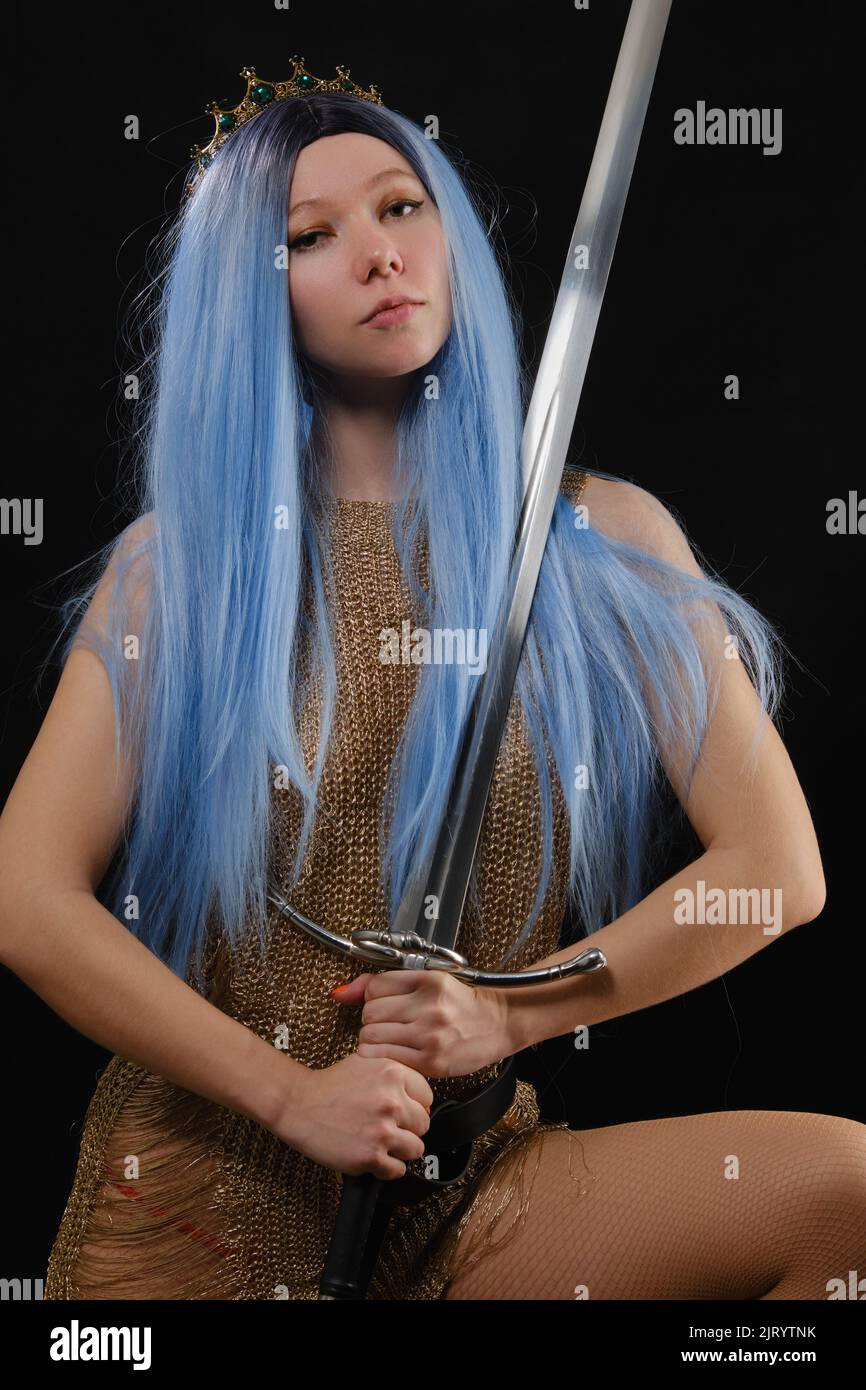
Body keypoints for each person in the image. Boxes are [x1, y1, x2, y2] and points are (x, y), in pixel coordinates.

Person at [1, 61, 863, 1301]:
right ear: (253, 296)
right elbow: (27, 898)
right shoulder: (185, 566)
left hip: (456, 1186)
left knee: (845, 1200)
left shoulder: (598, 538)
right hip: (206, 1198)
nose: (378, 254)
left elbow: (775, 873)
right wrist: (297, 1097)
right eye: (312, 234)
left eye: (402, 208)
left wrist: (511, 1018)